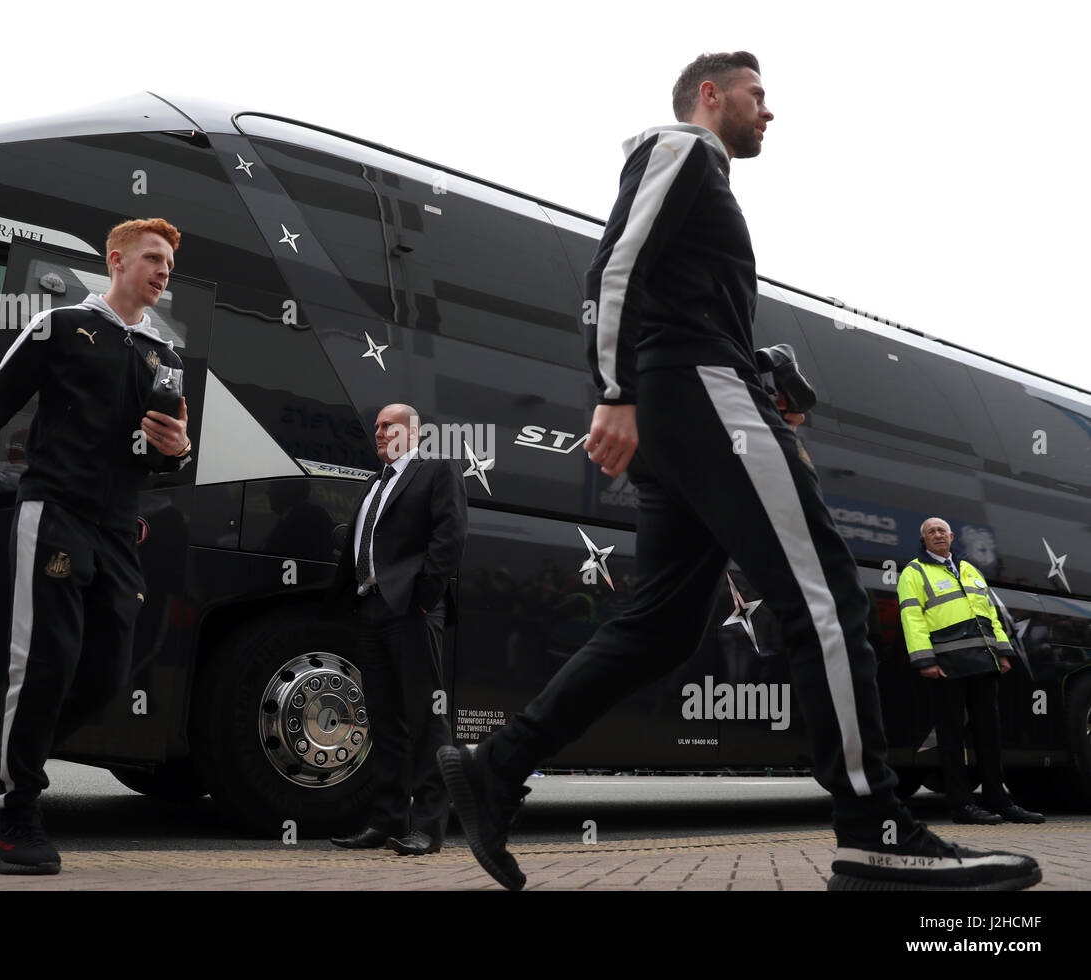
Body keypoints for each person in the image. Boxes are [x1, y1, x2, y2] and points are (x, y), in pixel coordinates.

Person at [437, 51, 1041, 892]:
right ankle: (874, 827)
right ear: (710, 95)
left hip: (694, 397)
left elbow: (665, 290)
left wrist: (754, 368)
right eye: (759, 94)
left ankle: (497, 768)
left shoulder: (698, 180)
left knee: (658, 628)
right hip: (694, 394)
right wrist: (613, 389)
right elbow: (614, 268)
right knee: (824, 594)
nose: (770, 111)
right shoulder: (681, 150)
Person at [0, 218, 191, 875]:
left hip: (119, 528)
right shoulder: (60, 327)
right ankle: (14, 815)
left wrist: (179, 450)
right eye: (153, 258)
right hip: (54, 512)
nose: (163, 271)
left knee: (105, 675)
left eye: (169, 265)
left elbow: (161, 453)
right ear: (116, 260)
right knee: (44, 664)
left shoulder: (165, 355)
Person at [325, 404, 467, 855]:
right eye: (378, 427)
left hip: (413, 609)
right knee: (384, 722)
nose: (379, 432)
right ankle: (386, 822)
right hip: (372, 611)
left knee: (426, 720)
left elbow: (450, 535)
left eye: (389, 426)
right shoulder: (374, 483)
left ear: (414, 431)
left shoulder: (436, 469)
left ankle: (429, 826)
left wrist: (424, 597)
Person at [898, 517, 1044, 824]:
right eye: (930, 532)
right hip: (947, 667)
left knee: (989, 736)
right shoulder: (914, 572)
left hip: (983, 664)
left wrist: (1003, 653)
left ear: (951, 536)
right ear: (923, 540)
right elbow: (912, 619)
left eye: (941, 531)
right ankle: (962, 805)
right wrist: (925, 661)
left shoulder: (969, 570)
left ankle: (998, 800)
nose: (937, 535)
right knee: (951, 740)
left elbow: (990, 614)